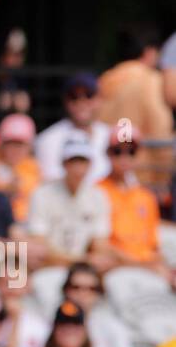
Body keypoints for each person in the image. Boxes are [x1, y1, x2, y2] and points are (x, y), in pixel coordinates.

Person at [97, 25, 172, 189]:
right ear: (149, 51)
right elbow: (161, 132)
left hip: (106, 176)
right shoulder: (151, 81)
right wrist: (163, 181)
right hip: (143, 178)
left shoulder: (104, 81)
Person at [94, 126, 169, 278]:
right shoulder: (96, 192)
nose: (124, 158)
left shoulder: (146, 196)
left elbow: (154, 246)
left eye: (131, 152)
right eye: (117, 152)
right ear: (108, 153)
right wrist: (141, 265)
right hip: (116, 268)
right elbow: (98, 245)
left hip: (147, 267)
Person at [26, 138, 112, 268]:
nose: (78, 168)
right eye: (73, 161)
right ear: (64, 164)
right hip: (50, 266)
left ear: (90, 164)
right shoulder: (42, 194)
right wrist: (81, 261)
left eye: (82, 161)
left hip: (84, 269)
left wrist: (84, 262)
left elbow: (100, 243)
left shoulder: (98, 196)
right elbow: (39, 243)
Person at [56, 262, 137, 347]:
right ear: (66, 290)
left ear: (99, 292)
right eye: (76, 287)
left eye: (91, 289)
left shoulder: (111, 325)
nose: (83, 294)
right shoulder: (52, 323)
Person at [35, 73, 111, 184]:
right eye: (74, 97)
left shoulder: (112, 135)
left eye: (89, 95)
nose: (81, 102)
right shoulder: (47, 140)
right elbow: (51, 183)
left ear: (100, 99)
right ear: (66, 101)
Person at [0, 113, 40, 223]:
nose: (14, 149)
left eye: (19, 144)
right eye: (10, 143)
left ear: (29, 146)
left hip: (28, 225)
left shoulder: (34, 167)